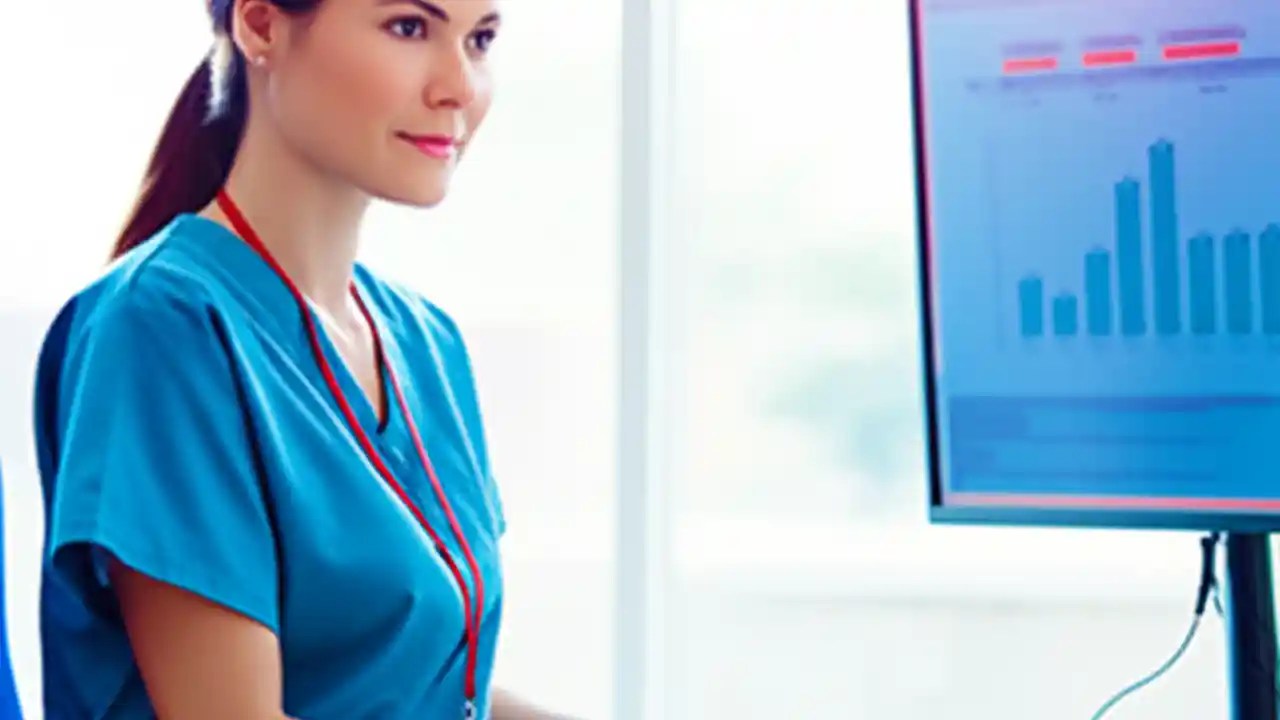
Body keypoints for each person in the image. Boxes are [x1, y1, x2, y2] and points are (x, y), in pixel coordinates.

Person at [32, 1, 574, 717]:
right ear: (260, 25)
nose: (460, 87)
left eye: (480, 39)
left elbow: (430, 697)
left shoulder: (427, 344)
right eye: (410, 27)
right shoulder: (161, 328)